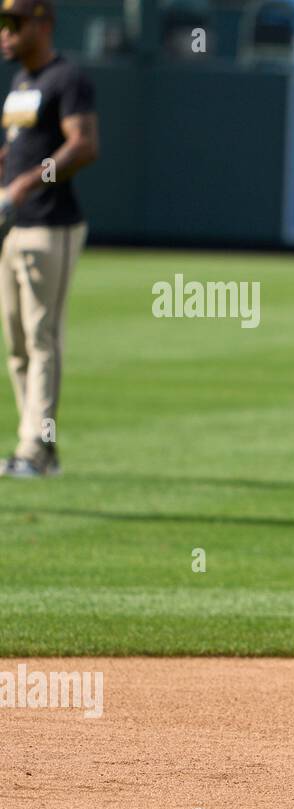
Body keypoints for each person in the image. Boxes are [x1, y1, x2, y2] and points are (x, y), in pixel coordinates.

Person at [0, 0, 97, 478]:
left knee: (43, 337)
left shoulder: (67, 78)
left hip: (51, 223)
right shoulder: (21, 83)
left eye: (13, 23)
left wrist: (27, 183)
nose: (5, 33)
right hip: (14, 227)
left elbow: (83, 145)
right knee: (17, 342)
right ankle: (35, 448)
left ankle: (37, 450)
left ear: (43, 21)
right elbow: (21, 148)